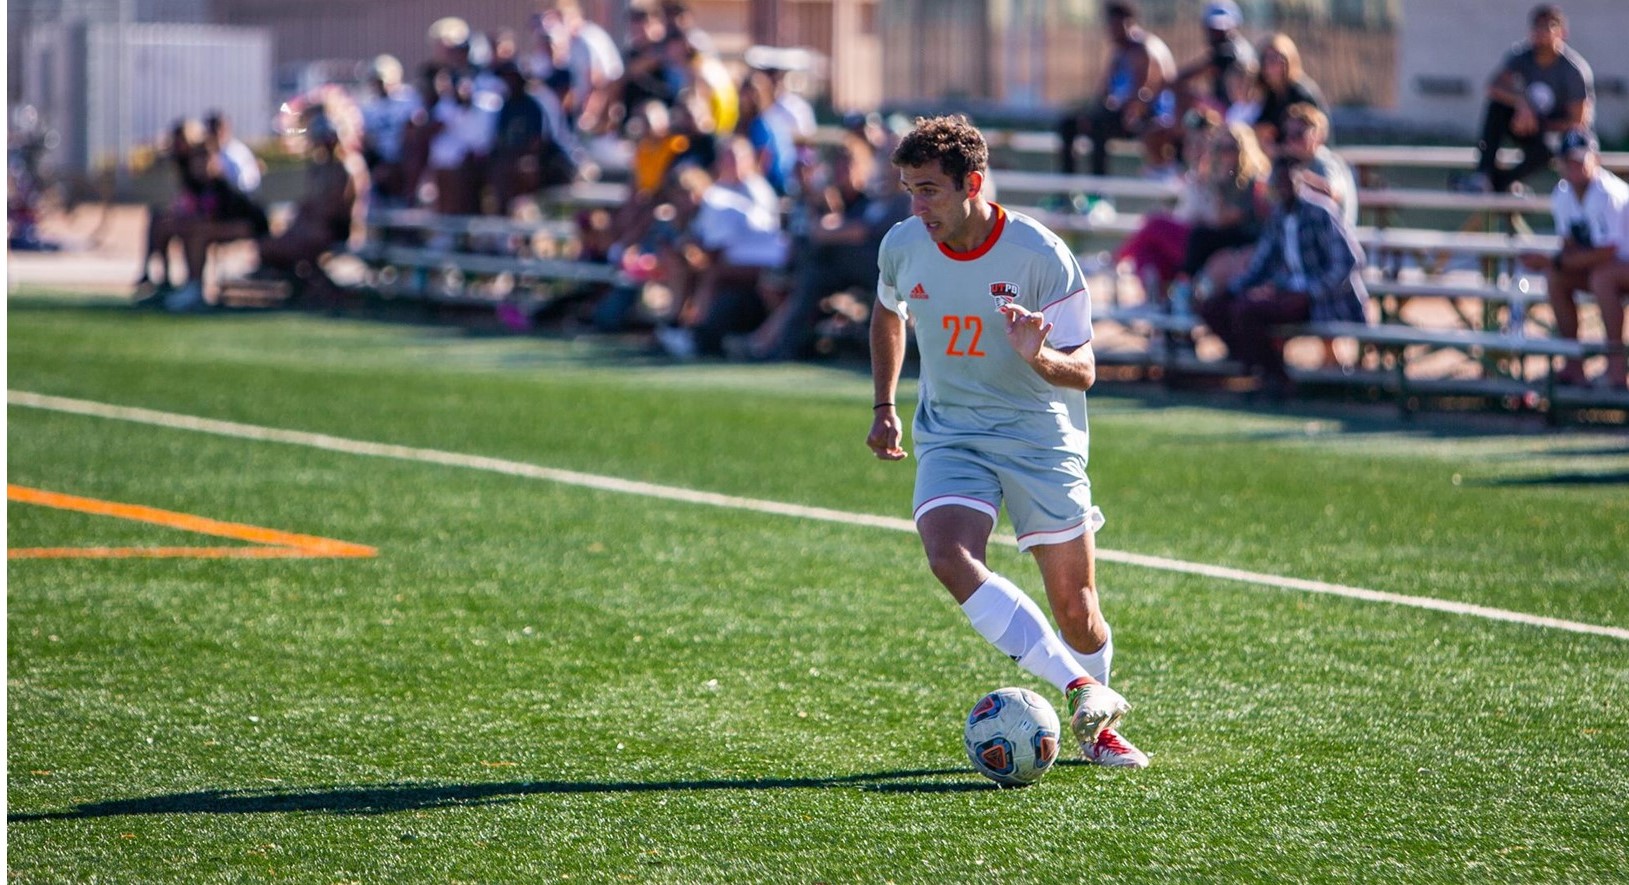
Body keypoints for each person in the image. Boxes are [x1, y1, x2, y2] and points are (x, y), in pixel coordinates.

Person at [866, 115, 1147, 768]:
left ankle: (1091, 699)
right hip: (953, 434)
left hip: (1038, 438)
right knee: (946, 552)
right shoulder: (903, 244)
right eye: (908, 188)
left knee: (1078, 614)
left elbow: (1084, 369)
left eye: (929, 189)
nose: (917, 206)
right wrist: (884, 404)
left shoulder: (1040, 254)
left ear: (973, 183)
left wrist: (1039, 355)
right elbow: (888, 310)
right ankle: (1085, 695)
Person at [1199, 155, 1369, 398]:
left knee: (1246, 311)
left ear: (1299, 180)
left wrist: (1312, 290)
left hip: (1321, 300)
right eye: (1277, 181)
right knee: (1215, 307)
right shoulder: (1278, 216)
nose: (1282, 187)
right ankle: (1261, 369)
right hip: (1289, 292)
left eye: (1286, 181)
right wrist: (1233, 290)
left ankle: (1275, 377)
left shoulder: (1320, 211)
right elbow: (1261, 264)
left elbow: (1349, 261)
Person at [1520, 129, 1629, 389]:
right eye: (1568, 160)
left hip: (1617, 265)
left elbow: (1608, 251)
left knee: (1601, 277)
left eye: (1580, 159)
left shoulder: (1608, 193)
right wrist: (1556, 265)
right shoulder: (1563, 194)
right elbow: (1569, 246)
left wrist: (1552, 261)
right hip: (1601, 267)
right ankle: (1573, 363)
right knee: (1556, 279)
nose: (1574, 166)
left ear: (1595, 159)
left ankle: (1616, 366)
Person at [1467, 3, 1595, 194]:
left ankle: (1499, 183)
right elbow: (1494, 87)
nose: (1541, 34)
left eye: (1548, 27)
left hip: (1557, 134)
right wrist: (1522, 103)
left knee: (1548, 148)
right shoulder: (1522, 56)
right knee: (1497, 109)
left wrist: (1539, 122)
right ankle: (1483, 175)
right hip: (1526, 125)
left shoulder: (1573, 70)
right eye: (1537, 27)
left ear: (1562, 32)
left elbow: (1578, 122)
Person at [1057, 1, 1176, 178]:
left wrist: (1106, 111)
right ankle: (1065, 188)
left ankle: (1098, 188)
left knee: (1098, 124)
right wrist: (1090, 111)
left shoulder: (1143, 48)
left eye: (1113, 25)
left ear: (1126, 23)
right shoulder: (1119, 51)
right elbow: (1104, 91)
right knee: (1068, 124)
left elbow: (1142, 96)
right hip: (1119, 114)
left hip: (1149, 117)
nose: (1110, 31)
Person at [1250, 33, 1326, 150]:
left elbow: (1313, 134)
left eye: (1276, 58)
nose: (1270, 65)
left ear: (1289, 59)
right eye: (1266, 59)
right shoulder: (1270, 93)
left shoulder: (1301, 93)